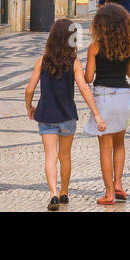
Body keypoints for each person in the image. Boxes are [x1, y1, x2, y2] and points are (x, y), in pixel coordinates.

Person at [24, 19, 106, 211]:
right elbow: (85, 89)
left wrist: (29, 106)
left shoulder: (42, 61)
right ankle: (64, 191)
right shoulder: (74, 63)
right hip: (67, 115)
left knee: (50, 156)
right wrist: (97, 114)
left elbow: (29, 89)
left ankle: (52, 193)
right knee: (65, 156)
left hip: (45, 115)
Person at [84, 3, 130, 205]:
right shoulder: (128, 47)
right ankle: (118, 184)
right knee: (120, 143)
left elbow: (89, 78)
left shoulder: (95, 47)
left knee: (105, 147)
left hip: (103, 97)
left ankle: (108, 193)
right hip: (123, 96)